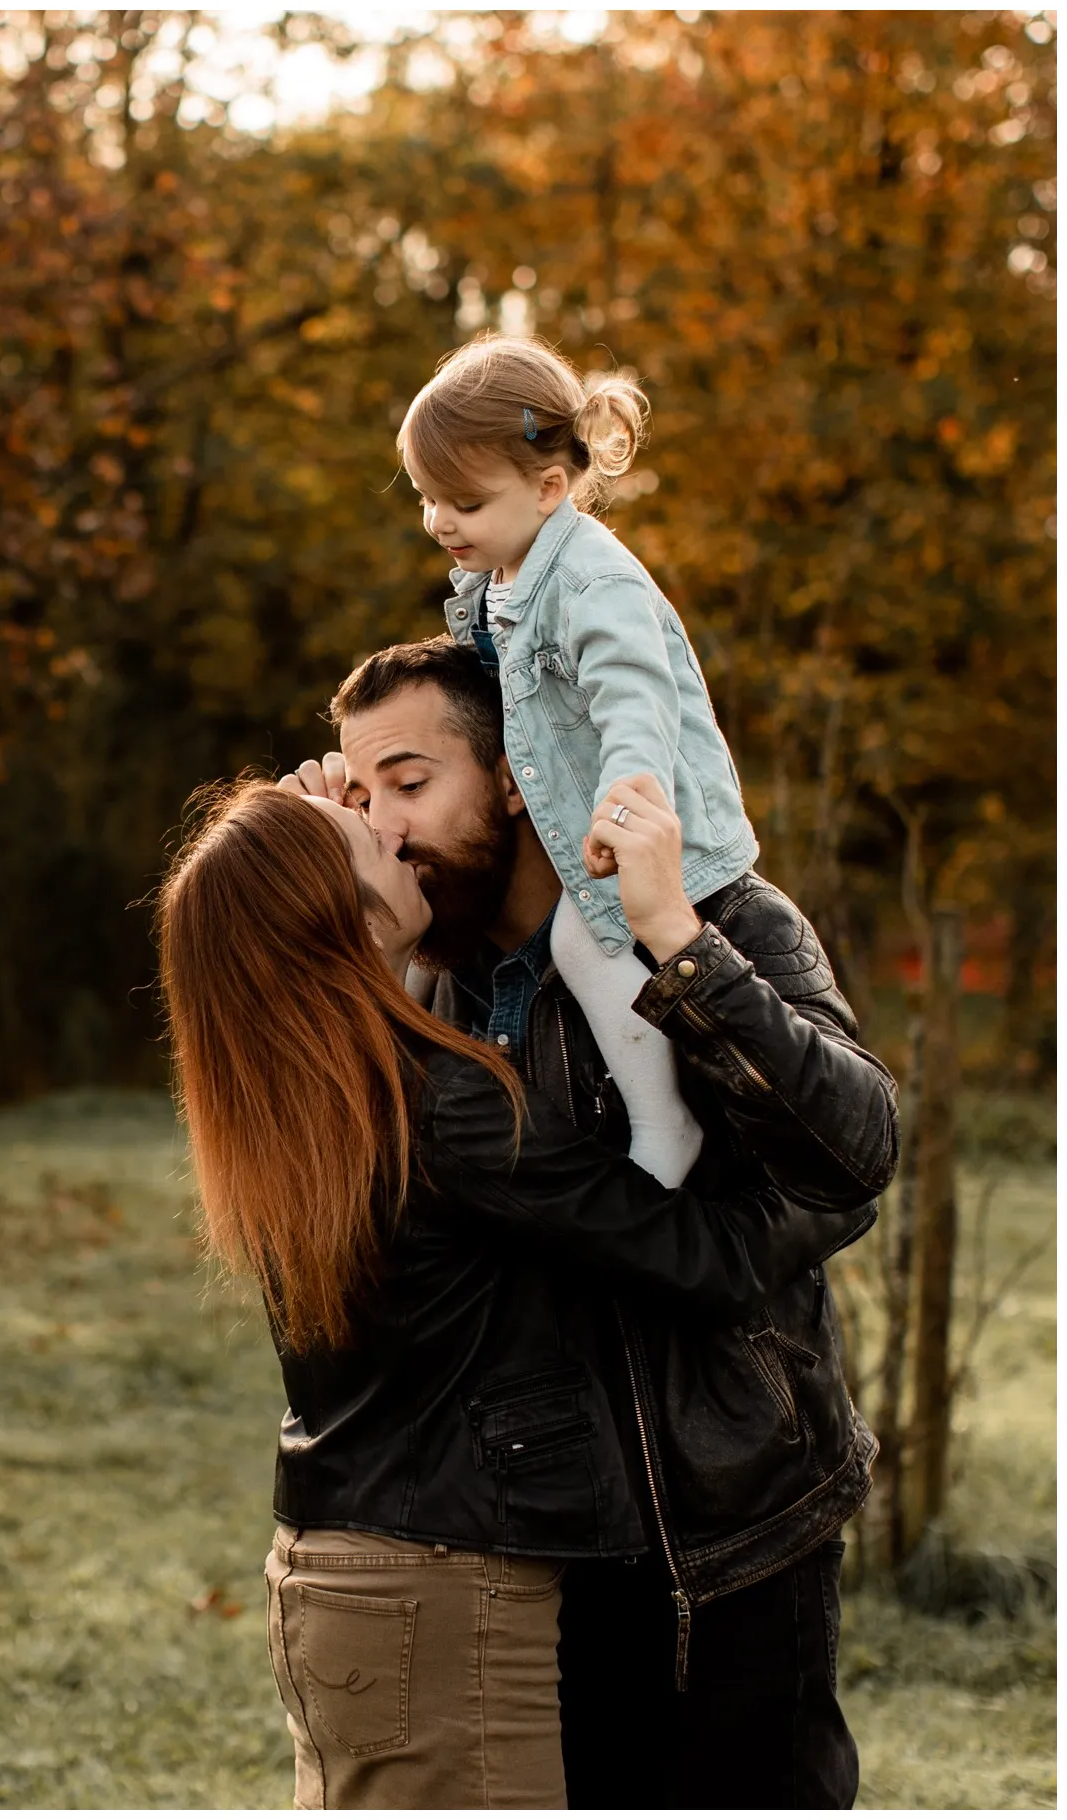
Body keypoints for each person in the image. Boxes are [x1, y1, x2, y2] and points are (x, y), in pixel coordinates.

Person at [156, 760, 889, 1811]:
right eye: (371, 840)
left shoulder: (296, 1098)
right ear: (341, 922)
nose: (395, 835)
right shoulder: (444, 1107)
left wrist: (286, 833)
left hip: (339, 1573)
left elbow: (266, 910)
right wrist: (840, 1178)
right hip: (437, 1597)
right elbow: (709, 1256)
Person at [398, 332, 757, 1190]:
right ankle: (395, 1055)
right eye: (425, 499)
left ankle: (661, 1121)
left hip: (642, 829)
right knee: (430, 930)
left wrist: (632, 789)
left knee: (586, 947)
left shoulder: (595, 579)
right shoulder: (503, 577)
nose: (440, 522)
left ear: (549, 488)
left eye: (463, 503)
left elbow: (635, 693)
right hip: (575, 824)